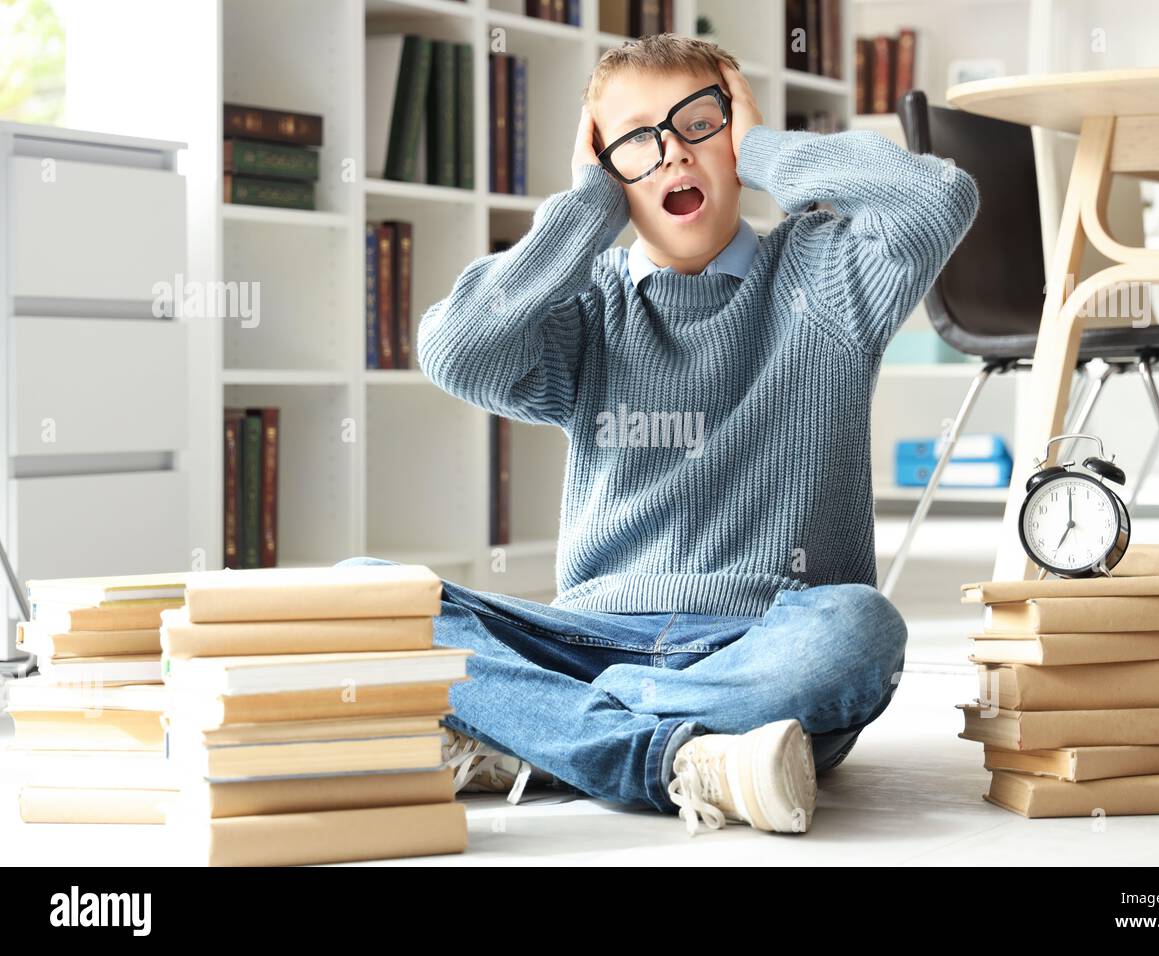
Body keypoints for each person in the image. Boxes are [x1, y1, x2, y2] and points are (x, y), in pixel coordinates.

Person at [340, 33, 978, 836]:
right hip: (589, 637)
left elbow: (937, 199)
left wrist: (769, 149)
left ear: (735, 129)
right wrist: (582, 212)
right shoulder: (586, 310)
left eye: (698, 120)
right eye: (638, 140)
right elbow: (455, 349)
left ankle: (549, 734)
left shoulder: (827, 278)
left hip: (762, 646)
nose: (672, 150)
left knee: (860, 629)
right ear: (606, 168)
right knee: (361, 589)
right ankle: (675, 758)